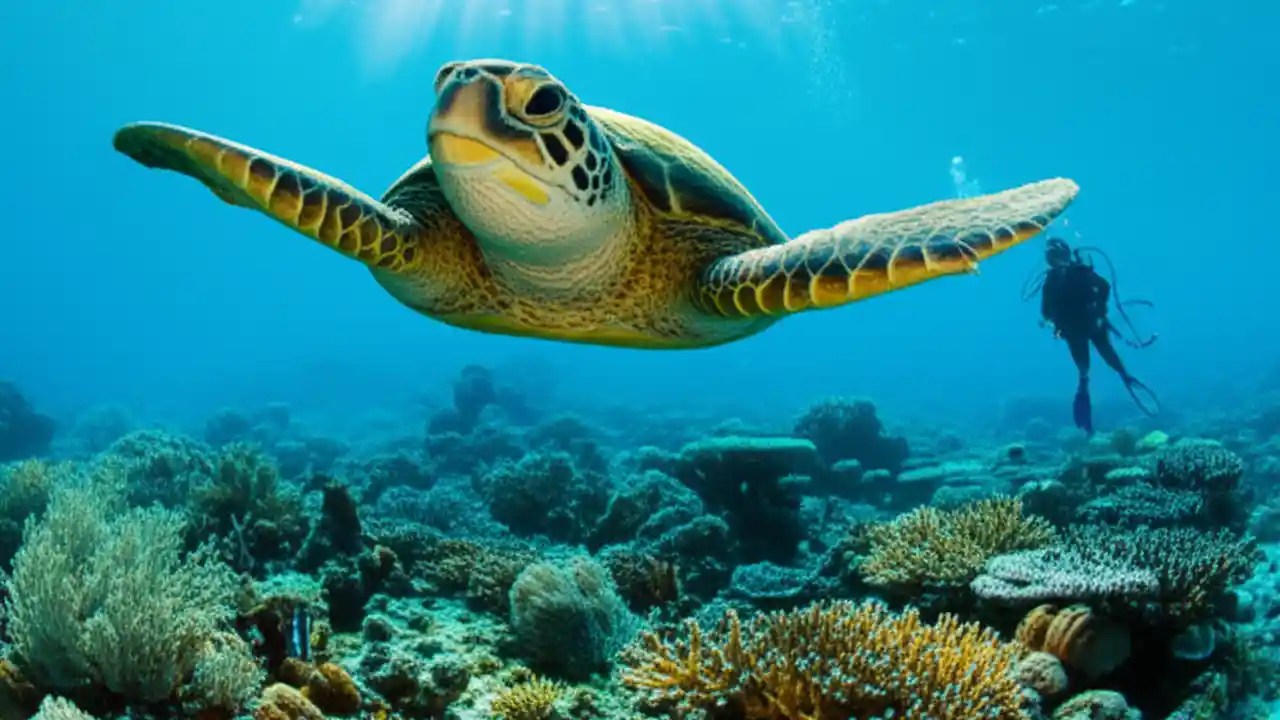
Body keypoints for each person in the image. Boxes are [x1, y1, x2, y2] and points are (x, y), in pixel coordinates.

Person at [1028, 237, 1158, 435]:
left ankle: (1095, 387)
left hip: (1077, 328)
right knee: (1104, 357)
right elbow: (1104, 286)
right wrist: (1100, 310)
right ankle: (1124, 378)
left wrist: (1055, 323)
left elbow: (1045, 311)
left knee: (1087, 367)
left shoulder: (1056, 278)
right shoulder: (1076, 272)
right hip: (1089, 324)